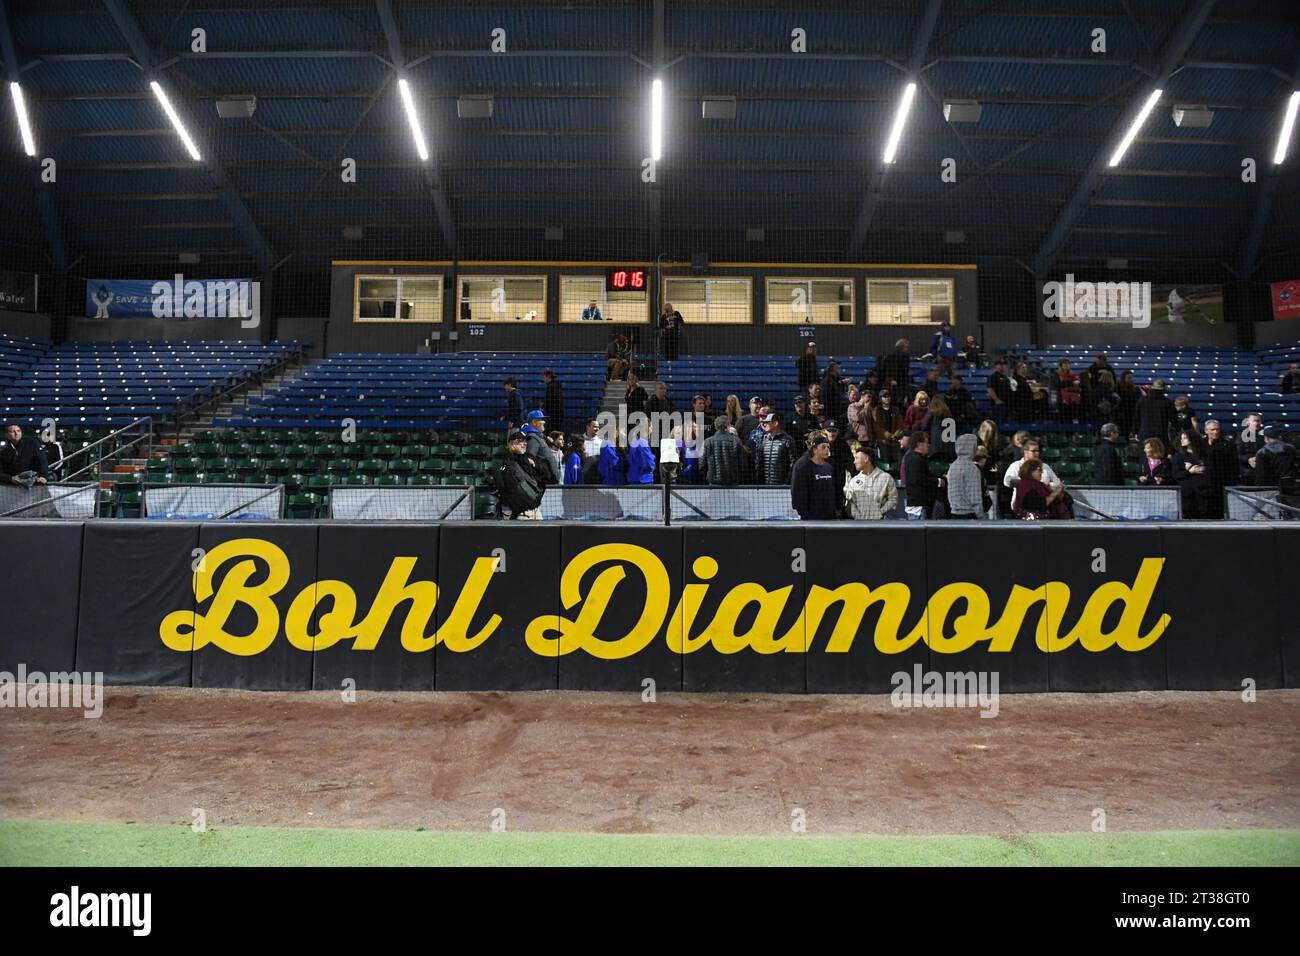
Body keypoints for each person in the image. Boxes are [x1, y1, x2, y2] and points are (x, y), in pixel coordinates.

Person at [496, 431, 548, 520]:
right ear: (512, 444)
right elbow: (503, 486)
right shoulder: (504, 460)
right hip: (519, 513)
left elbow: (547, 476)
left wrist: (535, 465)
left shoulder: (530, 458)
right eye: (520, 441)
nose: (524, 444)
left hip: (535, 509)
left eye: (525, 441)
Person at [790, 434, 838, 520]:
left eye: (828, 447)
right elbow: (797, 493)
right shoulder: (802, 466)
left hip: (829, 516)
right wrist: (804, 513)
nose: (827, 450)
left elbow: (833, 490)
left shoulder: (829, 466)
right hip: (810, 517)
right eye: (823, 447)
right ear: (815, 449)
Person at [844, 447, 897, 520]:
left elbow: (893, 500)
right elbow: (850, 503)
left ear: (866, 459)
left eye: (857, 458)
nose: (854, 462)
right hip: (859, 524)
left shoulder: (886, 478)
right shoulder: (854, 481)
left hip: (880, 523)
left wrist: (879, 512)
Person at [900, 431, 943, 519]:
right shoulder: (914, 459)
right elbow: (918, 479)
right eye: (926, 442)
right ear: (919, 444)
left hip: (921, 504)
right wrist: (938, 481)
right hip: (919, 506)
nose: (928, 445)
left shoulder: (915, 458)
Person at [1170, 429, 1211, 519]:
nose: (1182, 440)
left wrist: (1201, 468)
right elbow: (1176, 475)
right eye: (1182, 438)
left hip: (1202, 492)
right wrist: (1189, 471)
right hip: (1187, 494)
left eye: (1185, 438)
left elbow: (1209, 470)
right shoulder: (1178, 456)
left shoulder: (1204, 455)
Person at [1202, 419, 1238, 519]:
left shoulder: (1227, 445)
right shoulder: (1200, 444)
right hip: (1204, 484)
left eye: (1217, 429)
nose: (1215, 432)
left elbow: (1234, 464)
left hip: (1221, 484)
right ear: (1206, 431)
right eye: (1212, 430)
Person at [946, 433, 986, 519]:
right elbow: (974, 496)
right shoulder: (972, 468)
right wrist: (981, 516)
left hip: (954, 513)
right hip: (969, 514)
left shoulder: (953, 466)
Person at [754, 412, 798, 485]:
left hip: (782, 485)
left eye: (767, 422)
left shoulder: (787, 440)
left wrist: (787, 482)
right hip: (764, 485)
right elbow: (759, 462)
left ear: (775, 423)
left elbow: (793, 463)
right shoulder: (763, 440)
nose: (764, 425)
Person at [521, 410, 561, 484]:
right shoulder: (532, 438)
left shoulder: (537, 436)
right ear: (534, 422)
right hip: (543, 483)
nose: (544, 422)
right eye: (541, 420)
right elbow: (529, 461)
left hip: (547, 481)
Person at [700, 417, 741, 487]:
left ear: (716, 427)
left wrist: (706, 476)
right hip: (732, 481)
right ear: (728, 426)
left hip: (713, 482)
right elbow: (742, 463)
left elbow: (701, 464)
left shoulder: (707, 441)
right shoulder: (736, 440)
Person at [1134, 378, 1177, 443]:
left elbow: (1137, 418)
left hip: (1144, 433)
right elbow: (1174, 420)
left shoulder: (1141, 401)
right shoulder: (1168, 402)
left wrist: (1135, 432)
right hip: (1161, 434)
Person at [876, 338, 913, 406]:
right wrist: (892, 379)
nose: (907, 348)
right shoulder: (903, 356)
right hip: (899, 382)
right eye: (906, 346)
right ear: (902, 347)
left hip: (897, 382)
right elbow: (897, 370)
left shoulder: (891, 356)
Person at [871, 389, 904, 463]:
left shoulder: (895, 409)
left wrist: (896, 434)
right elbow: (877, 426)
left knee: (898, 462)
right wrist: (888, 435)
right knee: (886, 462)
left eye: (888, 396)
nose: (887, 398)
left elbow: (900, 424)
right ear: (880, 398)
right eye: (884, 396)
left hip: (895, 440)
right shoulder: (876, 410)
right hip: (883, 441)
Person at [921, 394, 957, 463]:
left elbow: (924, 426)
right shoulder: (949, 413)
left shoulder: (932, 412)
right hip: (950, 448)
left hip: (936, 448)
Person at [822, 420, 854, 493]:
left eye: (834, 431)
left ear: (838, 432)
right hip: (823, 480)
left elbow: (850, 462)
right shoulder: (820, 444)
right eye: (829, 431)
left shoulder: (843, 445)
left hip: (839, 480)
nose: (831, 434)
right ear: (825, 431)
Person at [1236, 412, 1265, 482]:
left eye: (1258, 421)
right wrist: (1248, 459)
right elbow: (1236, 455)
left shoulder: (1264, 436)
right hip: (1247, 473)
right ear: (1248, 422)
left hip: (1263, 472)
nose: (1257, 423)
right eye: (1254, 421)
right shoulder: (1241, 436)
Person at [819, 360, 847, 424]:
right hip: (830, 411)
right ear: (833, 370)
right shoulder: (827, 381)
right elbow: (824, 398)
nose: (839, 370)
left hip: (836, 410)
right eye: (837, 368)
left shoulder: (836, 380)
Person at [1115, 370, 1139, 438]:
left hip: (1131, 417)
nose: (1131, 379)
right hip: (1120, 418)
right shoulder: (1117, 388)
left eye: (1132, 378)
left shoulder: (1136, 390)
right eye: (1129, 377)